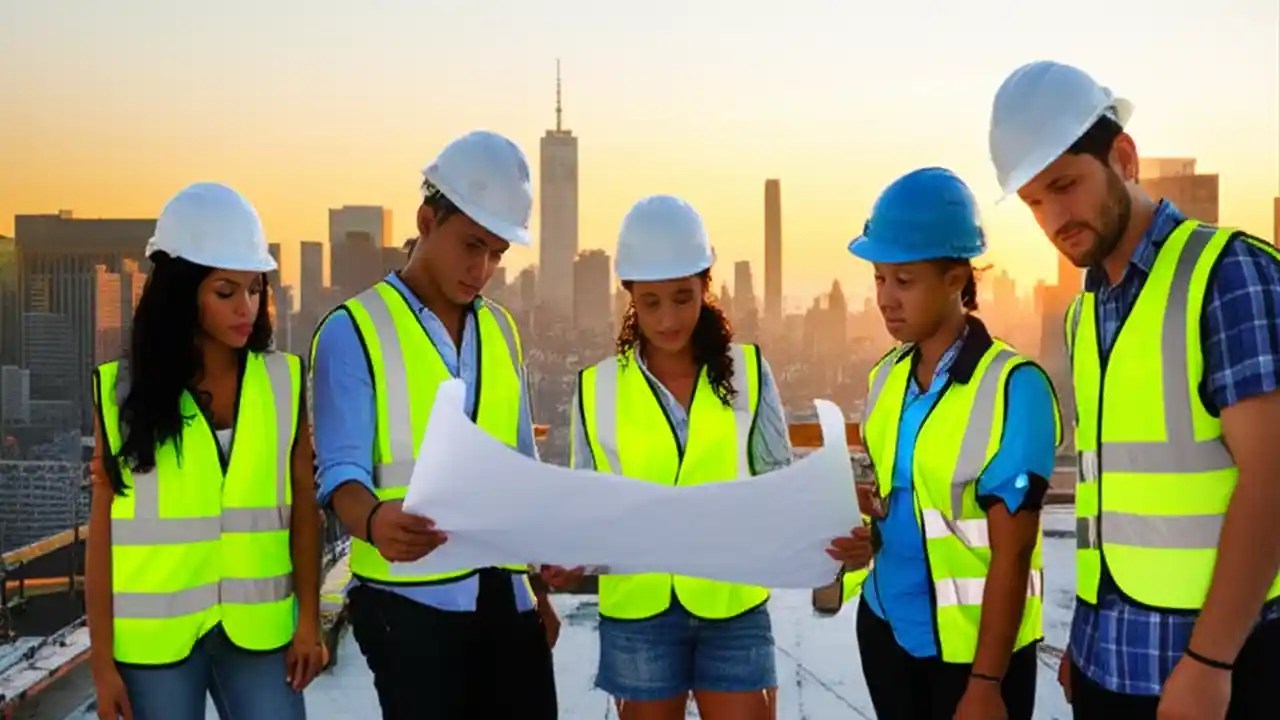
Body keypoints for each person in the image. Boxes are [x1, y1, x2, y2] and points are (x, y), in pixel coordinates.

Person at [989, 60, 1280, 719]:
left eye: (1064, 185)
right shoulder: (1084, 314)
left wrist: (1209, 663)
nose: (1053, 218)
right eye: (1034, 202)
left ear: (1123, 156)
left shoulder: (1227, 274)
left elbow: (1272, 479)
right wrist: (1085, 638)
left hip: (1216, 675)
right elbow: (1109, 494)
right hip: (1104, 670)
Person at [308, 130, 558, 719]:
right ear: (426, 219)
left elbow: (522, 467)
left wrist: (536, 590)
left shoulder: (501, 331)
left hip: (503, 593)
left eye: (498, 253)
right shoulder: (353, 330)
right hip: (405, 603)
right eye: (473, 245)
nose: (484, 268)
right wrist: (372, 519)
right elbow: (339, 471)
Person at [541, 194, 793, 720]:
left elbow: (779, 486)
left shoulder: (748, 372)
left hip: (733, 603)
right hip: (640, 612)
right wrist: (569, 559)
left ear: (706, 285)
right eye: (651, 302)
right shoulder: (596, 389)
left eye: (683, 297)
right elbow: (588, 506)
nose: (669, 318)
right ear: (629, 295)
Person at [828, 167, 1062, 720]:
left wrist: (986, 683)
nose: (886, 298)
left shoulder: (1014, 388)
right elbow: (898, 504)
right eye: (880, 279)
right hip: (886, 631)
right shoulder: (885, 378)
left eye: (903, 281)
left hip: (972, 658)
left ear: (957, 278)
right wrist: (866, 536)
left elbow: (1014, 550)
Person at [86, 182, 325, 720]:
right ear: (182, 292)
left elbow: (304, 510)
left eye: (255, 289)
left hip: (260, 632)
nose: (247, 307)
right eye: (226, 292)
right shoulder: (121, 393)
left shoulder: (284, 383)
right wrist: (102, 666)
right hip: (154, 645)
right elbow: (102, 536)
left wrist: (308, 621)